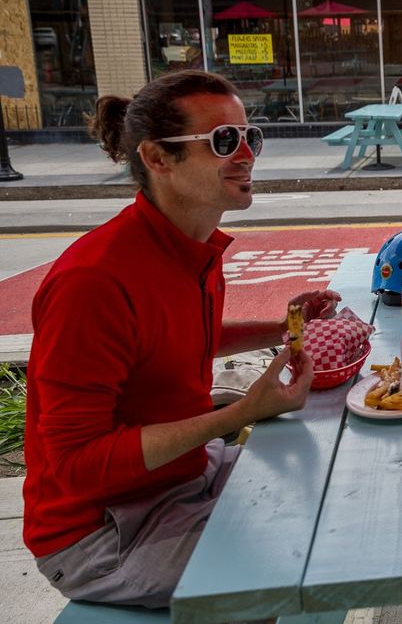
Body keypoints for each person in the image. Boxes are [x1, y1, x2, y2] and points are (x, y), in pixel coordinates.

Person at [23, 70, 339, 609]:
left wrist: (282, 326)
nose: (246, 155)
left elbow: (169, 342)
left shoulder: (189, 244)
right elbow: (74, 464)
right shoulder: (93, 282)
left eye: (250, 137)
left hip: (184, 478)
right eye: (222, 142)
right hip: (101, 533)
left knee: (337, 489)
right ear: (158, 158)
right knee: (311, 564)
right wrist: (237, 415)